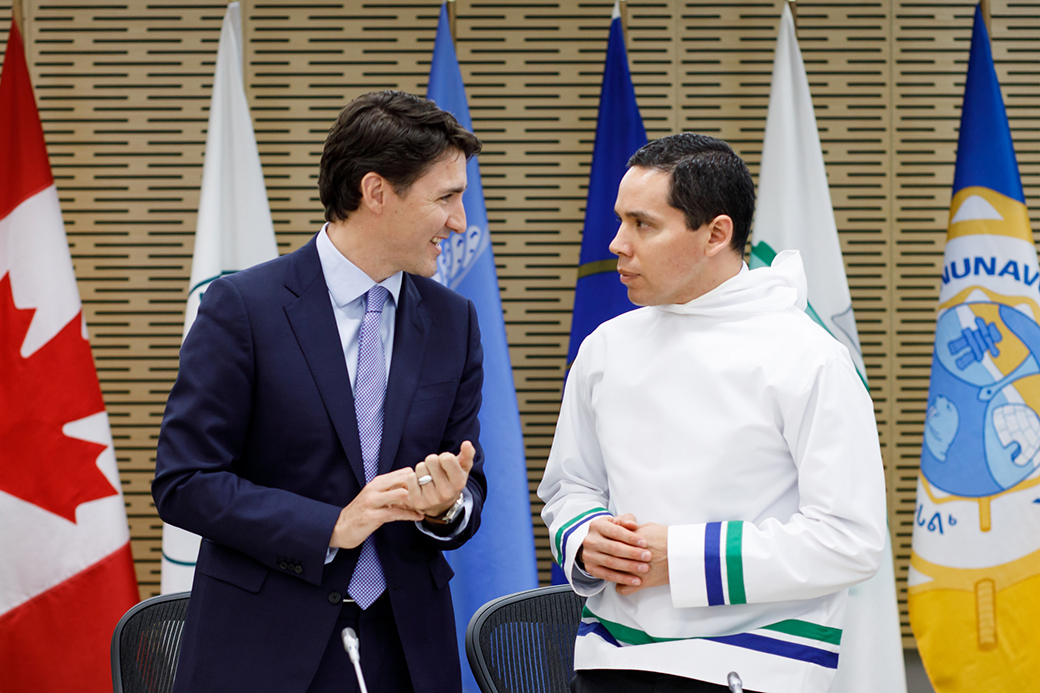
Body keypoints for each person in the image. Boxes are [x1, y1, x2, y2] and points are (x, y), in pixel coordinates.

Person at [153, 90, 487, 693]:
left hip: (410, 649)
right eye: (447, 198)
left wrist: (445, 508)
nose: (461, 222)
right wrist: (332, 525)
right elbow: (185, 483)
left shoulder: (453, 320)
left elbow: (469, 487)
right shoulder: (242, 309)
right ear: (376, 192)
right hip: (264, 648)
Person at [538, 133, 887, 693]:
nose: (617, 244)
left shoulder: (808, 356)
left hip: (754, 668)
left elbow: (849, 541)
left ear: (716, 234)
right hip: (610, 663)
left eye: (643, 224)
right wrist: (584, 538)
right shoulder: (606, 346)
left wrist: (678, 556)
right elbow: (570, 487)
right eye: (620, 221)